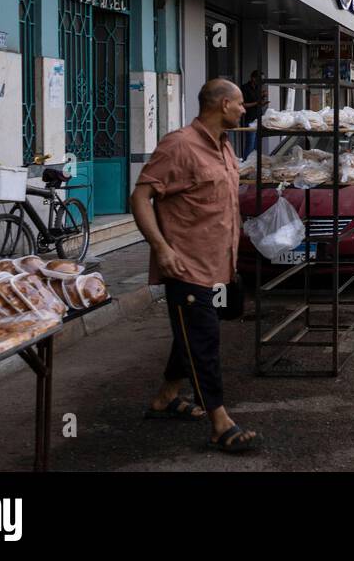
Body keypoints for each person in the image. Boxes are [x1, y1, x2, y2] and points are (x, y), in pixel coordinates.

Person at [131, 78, 260, 454]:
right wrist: (161, 247)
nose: (243, 110)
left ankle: (166, 397)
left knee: (194, 331)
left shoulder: (225, 148)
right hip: (187, 266)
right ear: (222, 105)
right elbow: (140, 196)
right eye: (239, 104)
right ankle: (221, 423)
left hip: (220, 265)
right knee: (203, 341)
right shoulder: (179, 145)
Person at [240, 70, 268, 155]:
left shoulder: (257, 88)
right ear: (253, 78)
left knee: (257, 146)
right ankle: (246, 164)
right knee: (250, 145)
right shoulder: (244, 88)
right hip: (250, 119)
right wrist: (257, 103)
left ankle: (254, 165)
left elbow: (258, 104)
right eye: (260, 79)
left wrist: (263, 98)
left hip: (258, 119)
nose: (262, 82)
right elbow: (242, 105)